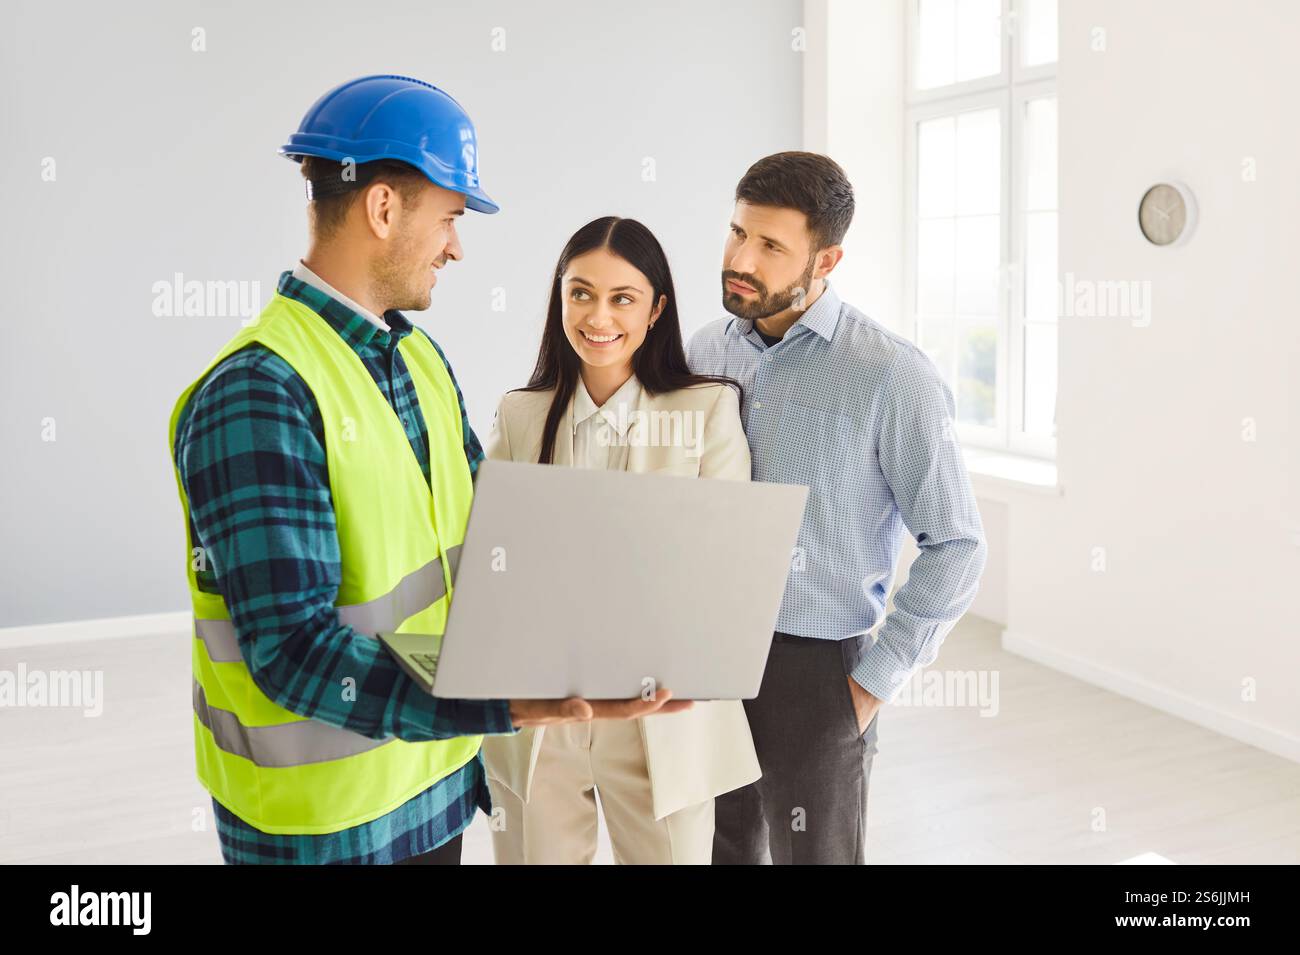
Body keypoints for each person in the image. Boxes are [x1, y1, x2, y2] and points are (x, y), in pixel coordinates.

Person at [167, 75, 689, 866]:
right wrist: (510, 697)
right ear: (383, 208)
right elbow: (293, 652)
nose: (456, 245)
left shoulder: (418, 360)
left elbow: (491, 537)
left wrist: (610, 620)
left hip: (435, 788)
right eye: (449, 217)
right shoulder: (258, 391)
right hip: (325, 829)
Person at [687, 151, 988, 865]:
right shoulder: (703, 350)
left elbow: (956, 544)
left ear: (826, 260)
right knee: (718, 851)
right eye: (736, 233)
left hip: (819, 673)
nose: (740, 258)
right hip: (709, 656)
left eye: (769, 246)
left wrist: (867, 686)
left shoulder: (891, 375)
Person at [481, 216, 761, 864]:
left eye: (621, 297)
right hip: (545, 716)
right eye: (580, 292)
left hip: (660, 713)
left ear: (657, 308)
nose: (597, 315)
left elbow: (726, 569)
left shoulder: (708, 410)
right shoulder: (520, 415)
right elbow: (492, 558)